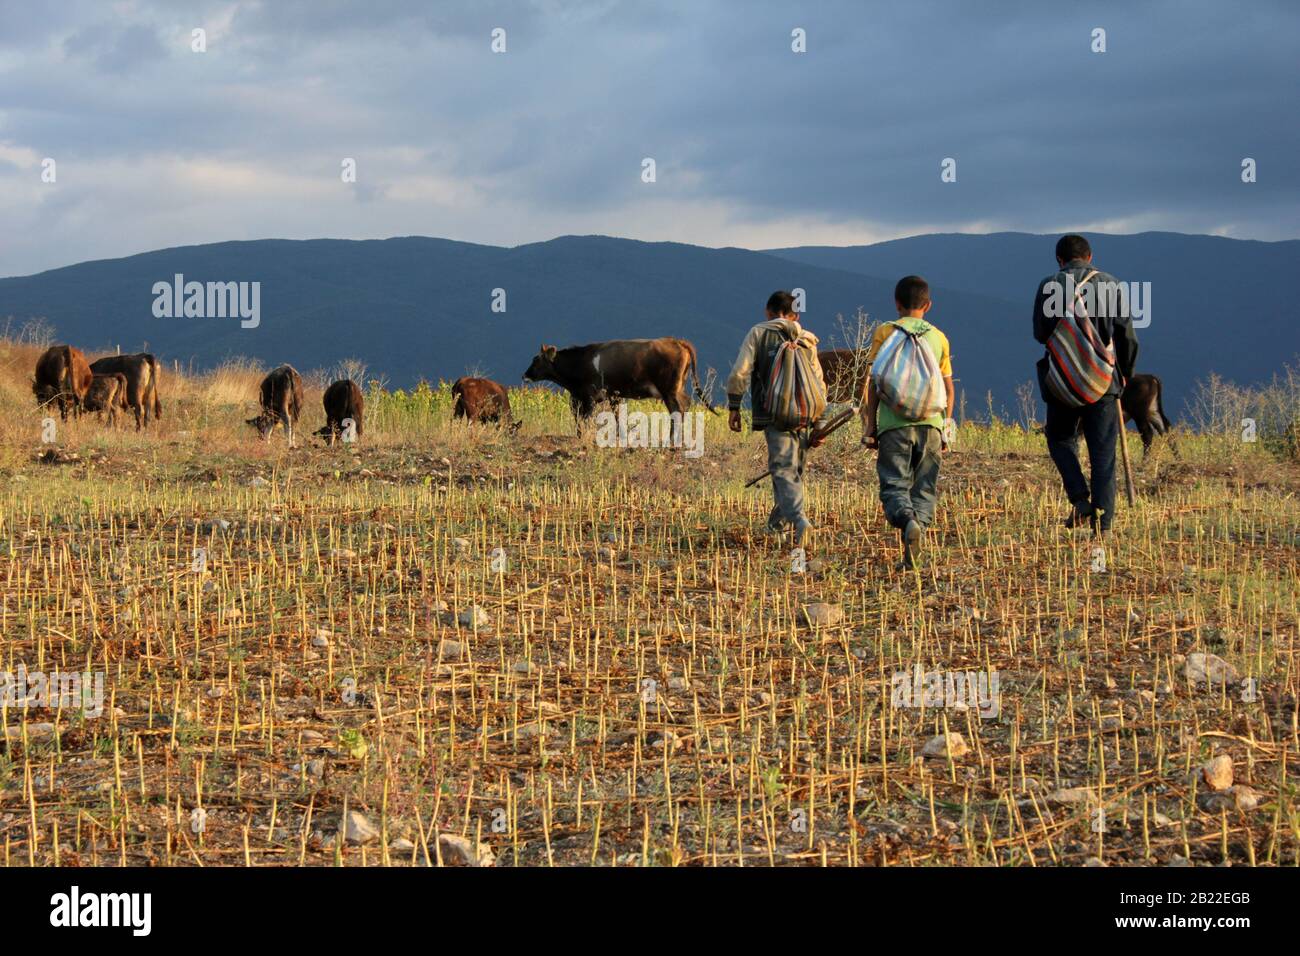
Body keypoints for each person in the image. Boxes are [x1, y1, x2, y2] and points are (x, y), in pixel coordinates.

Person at [1032, 234, 1139, 534]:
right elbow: (1126, 337)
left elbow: (1041, 334)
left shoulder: (1049, 285)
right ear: (1090, 257)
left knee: (1060, 439)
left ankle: (1080, 498)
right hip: (1103, 381)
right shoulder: (1110, 284)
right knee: (1103, 453)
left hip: (1062, 381)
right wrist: (1125, 372)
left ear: (1059, 260)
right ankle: (1102, 527)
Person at [861, 276, 954, 569]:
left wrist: (870, 426)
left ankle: (907, 520)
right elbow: (948, 389)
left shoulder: (885, 332)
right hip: (931, 426)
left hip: (894, 427)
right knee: (925, 488)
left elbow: (873, 384)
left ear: (897, 303)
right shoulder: (939, 338)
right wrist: (945, 429)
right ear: (928, 305)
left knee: (894, 486)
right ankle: (917, 539)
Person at [726, 290, 826, 546]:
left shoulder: (759, 332)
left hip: (774, 415)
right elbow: (818, 383)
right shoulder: (807, 340)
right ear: (795, 315)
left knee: (782, 470)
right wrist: (820, 423)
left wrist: (734, 406)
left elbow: (741, 372)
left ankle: (798, 520)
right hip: (806, 416)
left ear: (768, 311)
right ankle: (777, 526)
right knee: (795, 473)